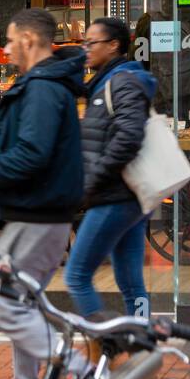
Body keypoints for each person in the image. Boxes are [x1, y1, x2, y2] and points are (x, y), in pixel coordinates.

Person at [0, 7, 87, 379]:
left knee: (8, 303)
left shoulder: (43, 88)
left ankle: (76, 367)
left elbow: (32, 156)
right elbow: (27, 154)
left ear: (29, 40)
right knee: (21, 302)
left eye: (11, 40)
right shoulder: (44, 84)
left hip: (37, 216)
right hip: (36, 213)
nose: (7, 49)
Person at [65, 17, 156, 320]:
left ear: (114, 45)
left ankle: (108, 346)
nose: (86, 49)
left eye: (92, 43)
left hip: (114, 196)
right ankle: (142, 344)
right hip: (128, 197)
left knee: (76, 276)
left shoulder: (123, 80)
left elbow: (129, 135)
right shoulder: (105, 81)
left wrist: (95, 177)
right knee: (132, 284)